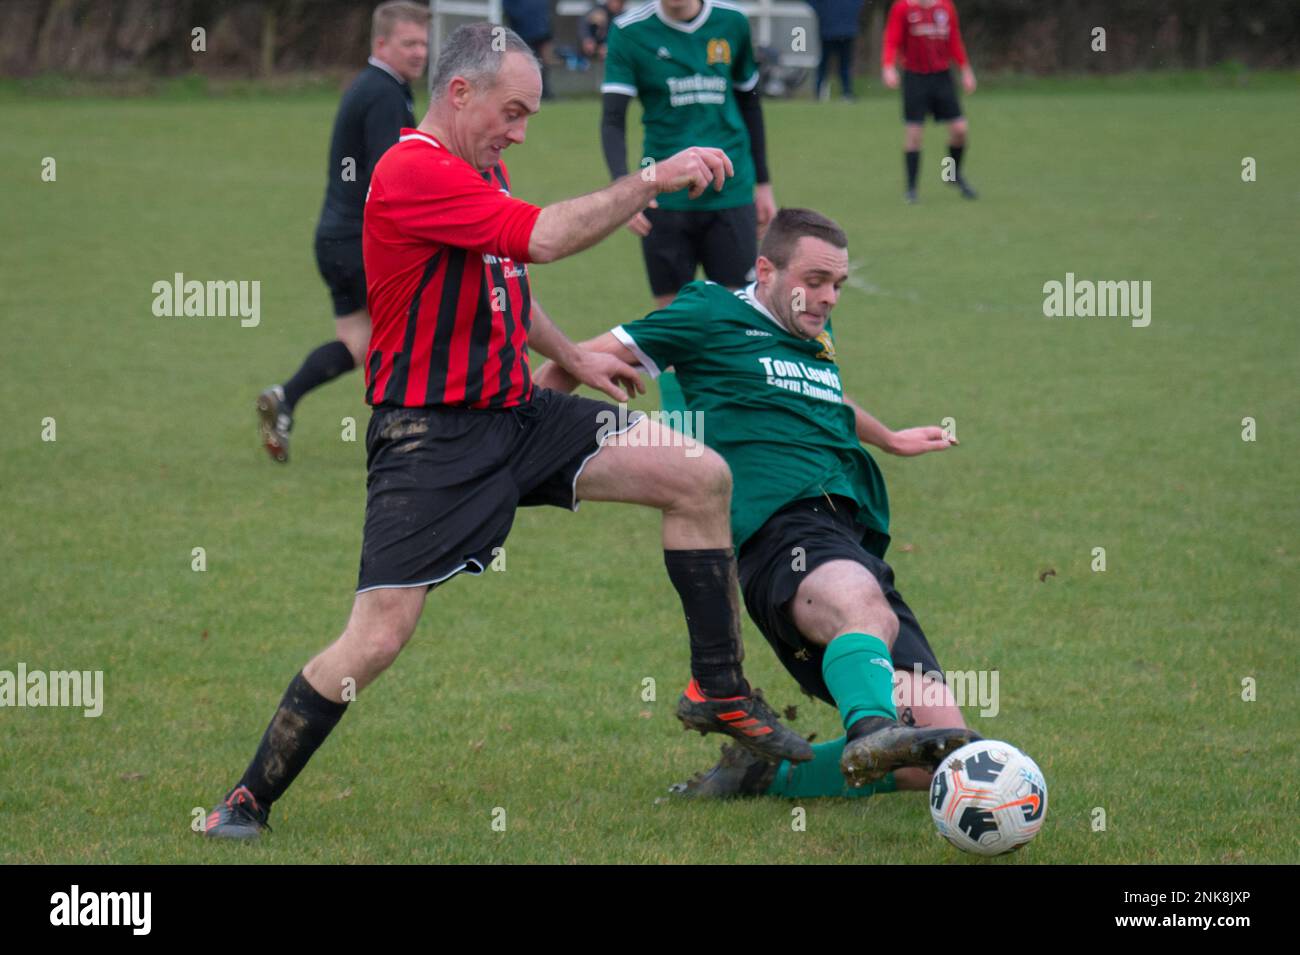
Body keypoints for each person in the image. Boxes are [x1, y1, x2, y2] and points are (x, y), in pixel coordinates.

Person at [205, 25, 812, 841]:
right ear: (461, 94)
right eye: (513, 111)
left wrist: (572, 358)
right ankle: (248, 798)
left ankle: (719, 691)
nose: (519, 131)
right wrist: (651, 178)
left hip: (519, 414)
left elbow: (507, 282)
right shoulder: (412, 167)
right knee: (379, 636)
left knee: (698, 475)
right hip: (431, 441)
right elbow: (546, 238)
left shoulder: (478, 163)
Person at [533, 208, 978, 801]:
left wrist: (890, 437)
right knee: (859, 605)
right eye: (815, 280)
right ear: (766, 268)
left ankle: (764, 775)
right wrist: (521, 436)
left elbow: (828, 399)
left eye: (838, 285)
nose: (828, 298)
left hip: (849, 536)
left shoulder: (814, 337)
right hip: (780, 534)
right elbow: (574, 358)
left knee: (944, 755)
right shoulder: (709, 312)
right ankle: (872, 726)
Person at [257, 1, 429, 463]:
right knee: (413, 334)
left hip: (332, 238)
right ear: (381, 44)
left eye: (424, 44)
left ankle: (285, 397)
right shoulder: (386, 93)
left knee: (357, 344)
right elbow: (388, 175)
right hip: (359, 242)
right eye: (409, 43)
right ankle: (406, 436)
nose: (420, 53)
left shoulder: (373, 86)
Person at [600, 0, 776, 415]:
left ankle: (738, 420)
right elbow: (612, 120)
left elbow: (750, 104)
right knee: (672, 324)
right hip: (664, 197)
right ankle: (685, 430)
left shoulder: (731, 22)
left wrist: (764, 183)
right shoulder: (629, 32)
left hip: (731, 194)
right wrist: (625, 193)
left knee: (739, 317)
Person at [881, 0, 977, 203]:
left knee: (960, 130)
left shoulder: (945, 7)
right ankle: (911, 190)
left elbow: (954, 40)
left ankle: (951, 174)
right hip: (915, 78)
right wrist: (888, 66)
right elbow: (892, 39)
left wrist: (965, 69)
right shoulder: (903, 8)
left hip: (942, 77)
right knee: (914, 134)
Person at [806, 0, 865, 101]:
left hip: (831, 30)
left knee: (828, 65)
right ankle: (846, 92)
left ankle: (821, 92)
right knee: (842, 64)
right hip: (840, 31)